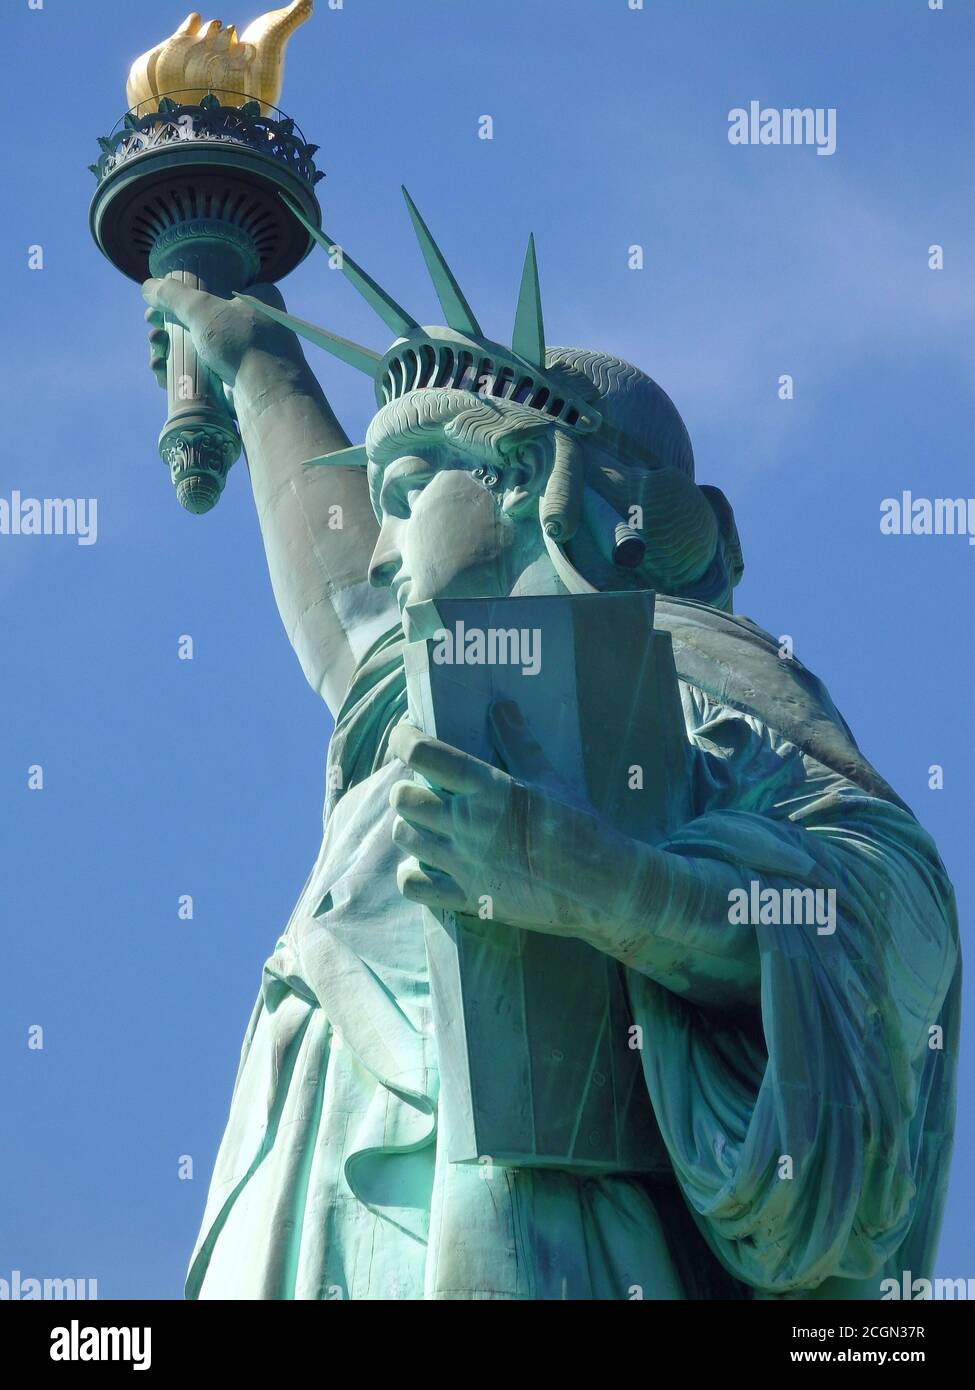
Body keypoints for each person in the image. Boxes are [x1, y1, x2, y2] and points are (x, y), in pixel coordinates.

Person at [142, 194, 958, 1300]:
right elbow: (352, 617)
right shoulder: (420, 709)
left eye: (403, 494)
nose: (381, 551)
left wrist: (604, 886)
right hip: (314, 1213)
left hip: (556, 1232)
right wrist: (255, 364)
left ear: (525, 479)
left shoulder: (682, 671)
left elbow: (887, 912)